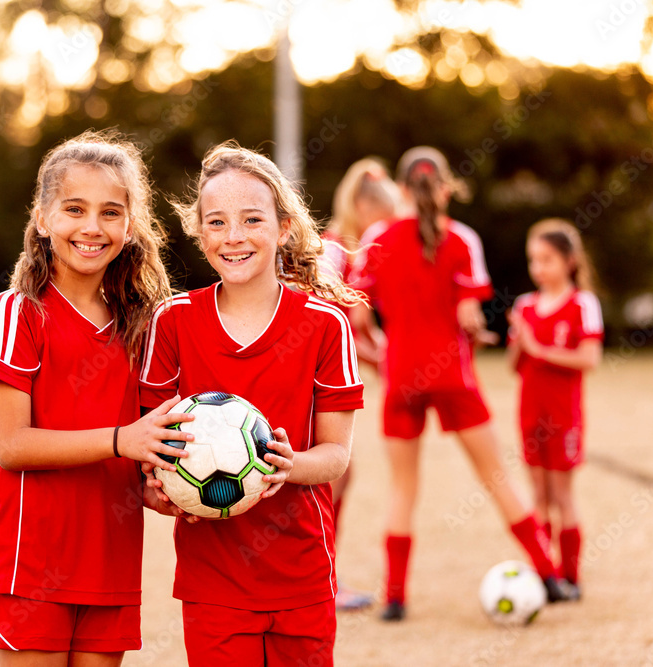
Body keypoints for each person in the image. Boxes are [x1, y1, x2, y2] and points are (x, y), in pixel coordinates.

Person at [0, 130, 196, 667]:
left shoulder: (144, 323)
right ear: (43, 218)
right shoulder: (16, 313)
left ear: (130, 225)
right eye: (75, 209)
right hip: (31, 560)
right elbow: (12, 446)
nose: (92, 227)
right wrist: (125, 442)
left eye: (111, 212)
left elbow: (138, 445)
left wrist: (157, 486)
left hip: (110, 558)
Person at [140, 142, 364, 667]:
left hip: (302, 571)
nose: (233, 237)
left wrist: (291, 466)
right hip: (212, 578)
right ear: (198, 232)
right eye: (216, 222)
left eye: (251, 219)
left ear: (284, 227)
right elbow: (147, 444)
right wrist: (155, 488)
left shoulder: (324, 324)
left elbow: (335, 456)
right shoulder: (173, 322)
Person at [351, 146, 577, 622]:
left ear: (401, 190)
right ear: (447, 188)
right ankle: (550, 576)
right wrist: (475, 336)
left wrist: (381, 353)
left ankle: (394, 599)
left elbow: (357, 312)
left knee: (402, 489)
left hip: (402, 376)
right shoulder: (462, 240)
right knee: (497, 477)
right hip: (453, 373)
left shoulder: (376, 237)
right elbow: (469, 315)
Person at [508, 218, 603, 597]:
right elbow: (515, 366)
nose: (539, 268)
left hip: (564, 415)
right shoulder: (525, 305)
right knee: (539, 496)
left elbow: (590, 358)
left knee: (563, 495)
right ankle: (544, 576)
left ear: (569, 261)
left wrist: (538, 348)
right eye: (534, 260)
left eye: (547, 259)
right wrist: (518, 341)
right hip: (530, 412)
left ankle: (571, 577)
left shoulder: (583, 303)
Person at [322, 157, 399, 611]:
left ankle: (327, 575)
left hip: (333, 381)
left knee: (340, 476)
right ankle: (321, 578)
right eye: (382, 219)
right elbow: (334, 324)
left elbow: (361, 331)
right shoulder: (335, 251)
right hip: (314, 379)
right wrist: (385, 359)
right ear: (364, 208)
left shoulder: (355, 252)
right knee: (333, 475)